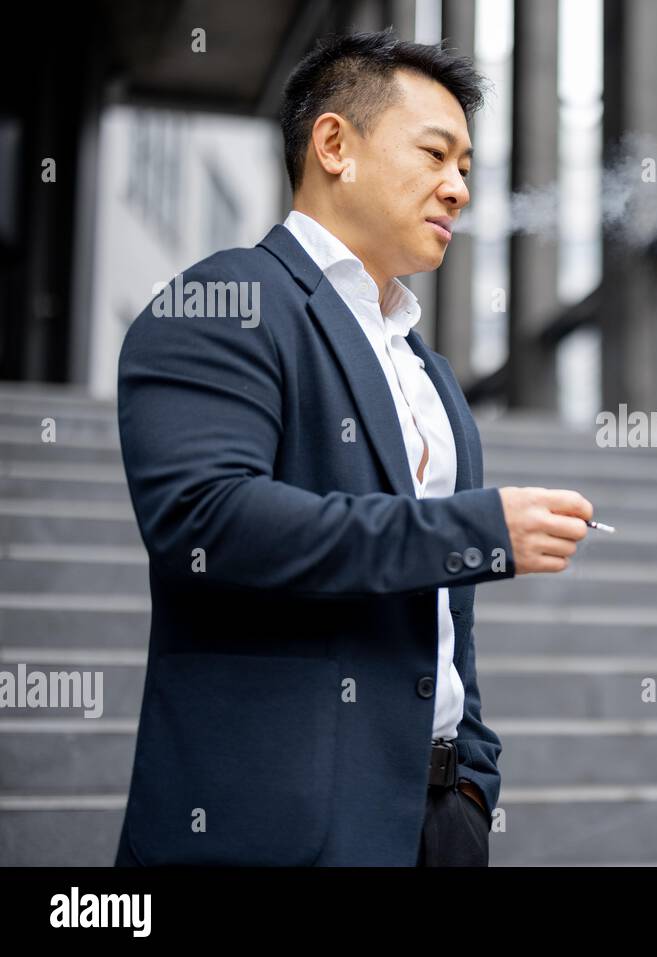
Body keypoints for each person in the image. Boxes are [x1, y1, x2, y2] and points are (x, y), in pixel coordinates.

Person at [113, 29, 592, 867]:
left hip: (441, 820)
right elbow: (207, 524)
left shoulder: (430, 373)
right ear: (334, 145)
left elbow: (446, 627)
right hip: (281, 832)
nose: (459, 189)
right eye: (436, 155)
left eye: (469, 168)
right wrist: (472, 529)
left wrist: (472, 782)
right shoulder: (221, 300)